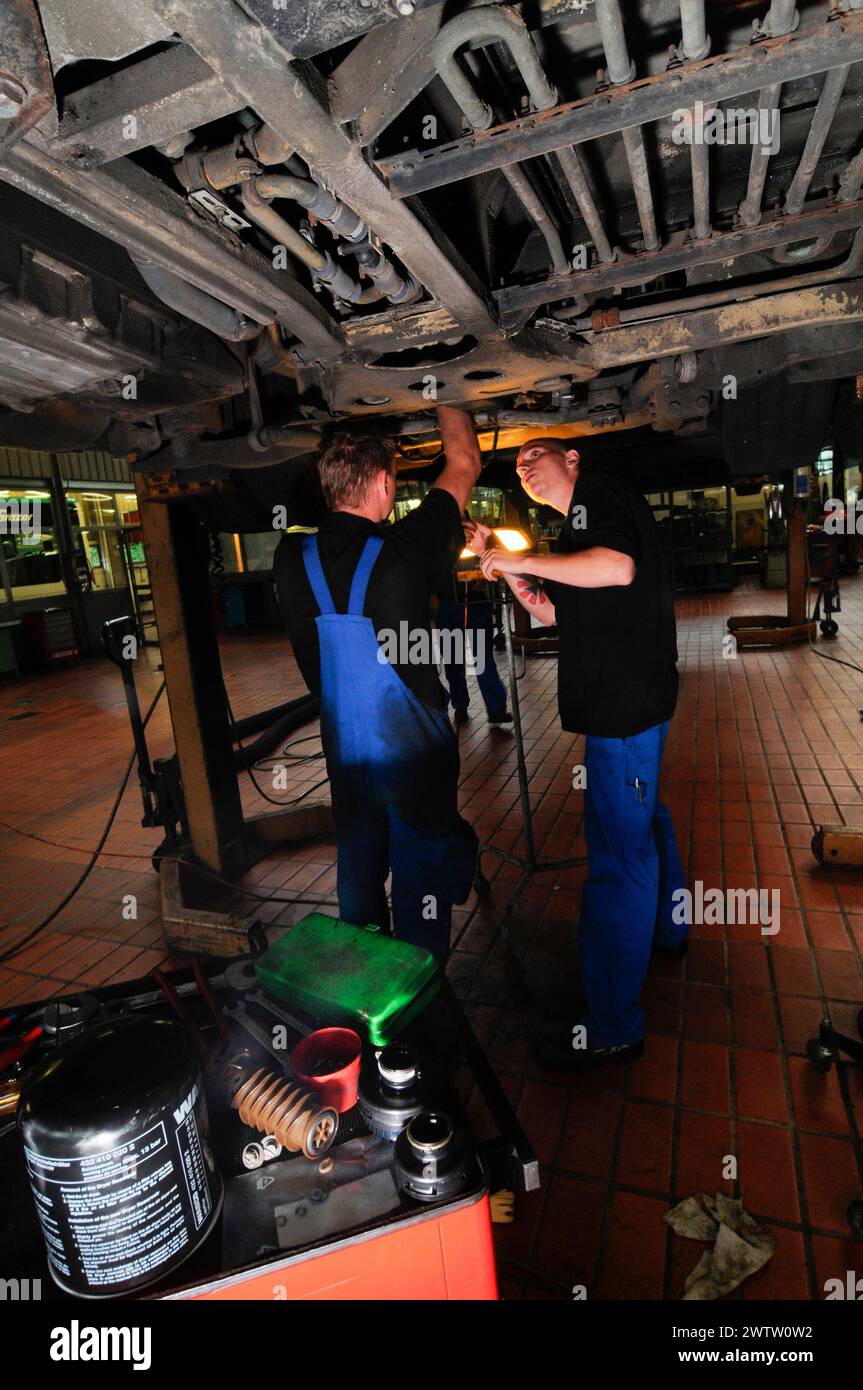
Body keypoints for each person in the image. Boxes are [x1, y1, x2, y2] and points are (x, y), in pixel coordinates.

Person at [476, 437, 685, 1070]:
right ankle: (668, 931)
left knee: (618, 861)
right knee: (646, 824)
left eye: (536, 451)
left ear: (573, 460)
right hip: (626, 710)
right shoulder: (574, 537)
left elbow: (617, 567)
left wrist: (532, 558)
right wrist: (508, 566)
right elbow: (545, 615)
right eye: (516, 463)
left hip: (623, 713)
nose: (522, 464)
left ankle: (615, 1026)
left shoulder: (600, 492)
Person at [273, 406, 482, 966]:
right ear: (385, 483)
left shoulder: (291, 556)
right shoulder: (405, 547)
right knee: (423, 881)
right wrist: (451, 386)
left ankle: (365, 996)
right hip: (414, 755)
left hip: (347, 754)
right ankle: (420, 1004)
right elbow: (464, 460)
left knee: (359, 877)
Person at [433, 557, 512, 729]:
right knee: (453, 659)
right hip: (448, 604)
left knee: (482, 658)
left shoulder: (470, 544)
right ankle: (460, 704)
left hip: (474, 603)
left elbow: (481, 578)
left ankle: (495, 709)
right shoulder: (436, 546)